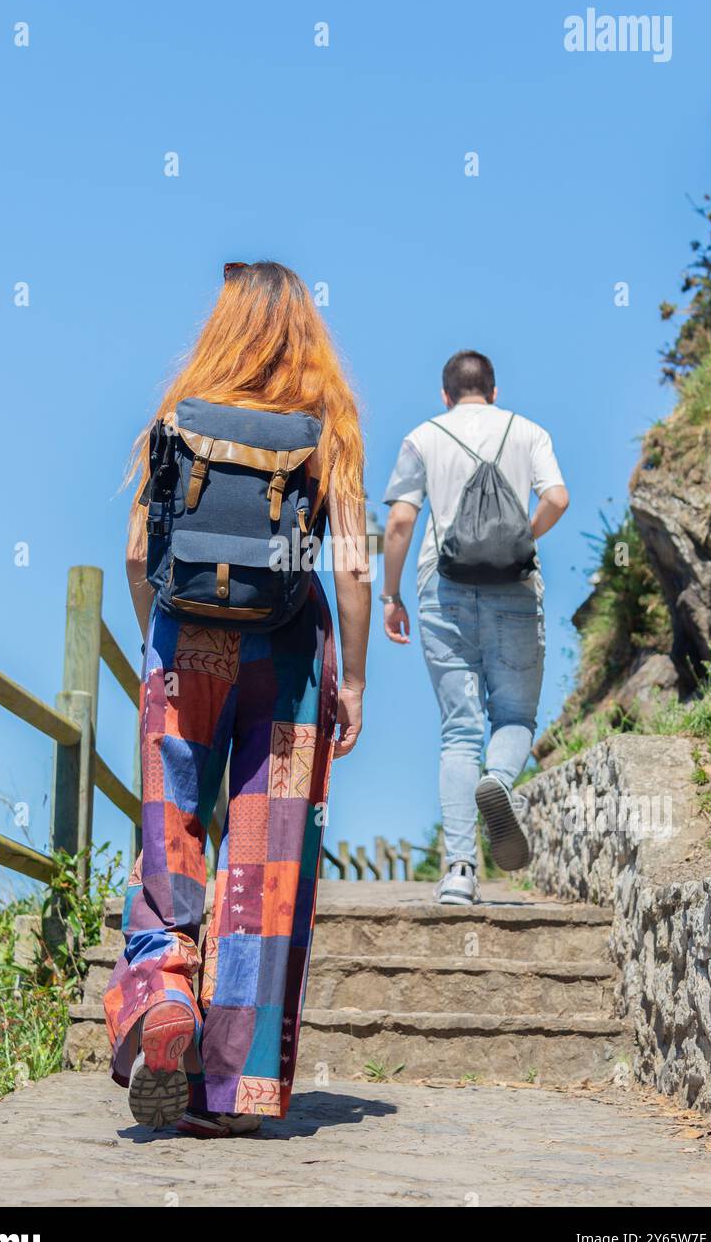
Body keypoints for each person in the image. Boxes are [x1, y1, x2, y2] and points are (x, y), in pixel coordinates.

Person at [104, 261, 370, 1136]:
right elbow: (355, 563)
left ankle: (161, 988)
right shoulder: (324, 417)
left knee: (170, 827)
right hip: (288, 653)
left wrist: (164, 646)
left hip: (186, 645)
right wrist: (355, 678)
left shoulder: (180, 412)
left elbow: (142, 551)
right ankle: (232, 1090)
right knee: (264, 863)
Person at [381, 349, 568, 906]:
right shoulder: (529, 431)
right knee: (513, 716)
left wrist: (390, 596)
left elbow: (399, 520)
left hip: (444, 592)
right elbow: (557, 497)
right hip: (514, 590)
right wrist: (525, 539)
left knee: (459, 732)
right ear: (494, 389)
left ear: (445, 394)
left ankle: (460, 872)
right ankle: (500, 782)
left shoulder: (422, 436)